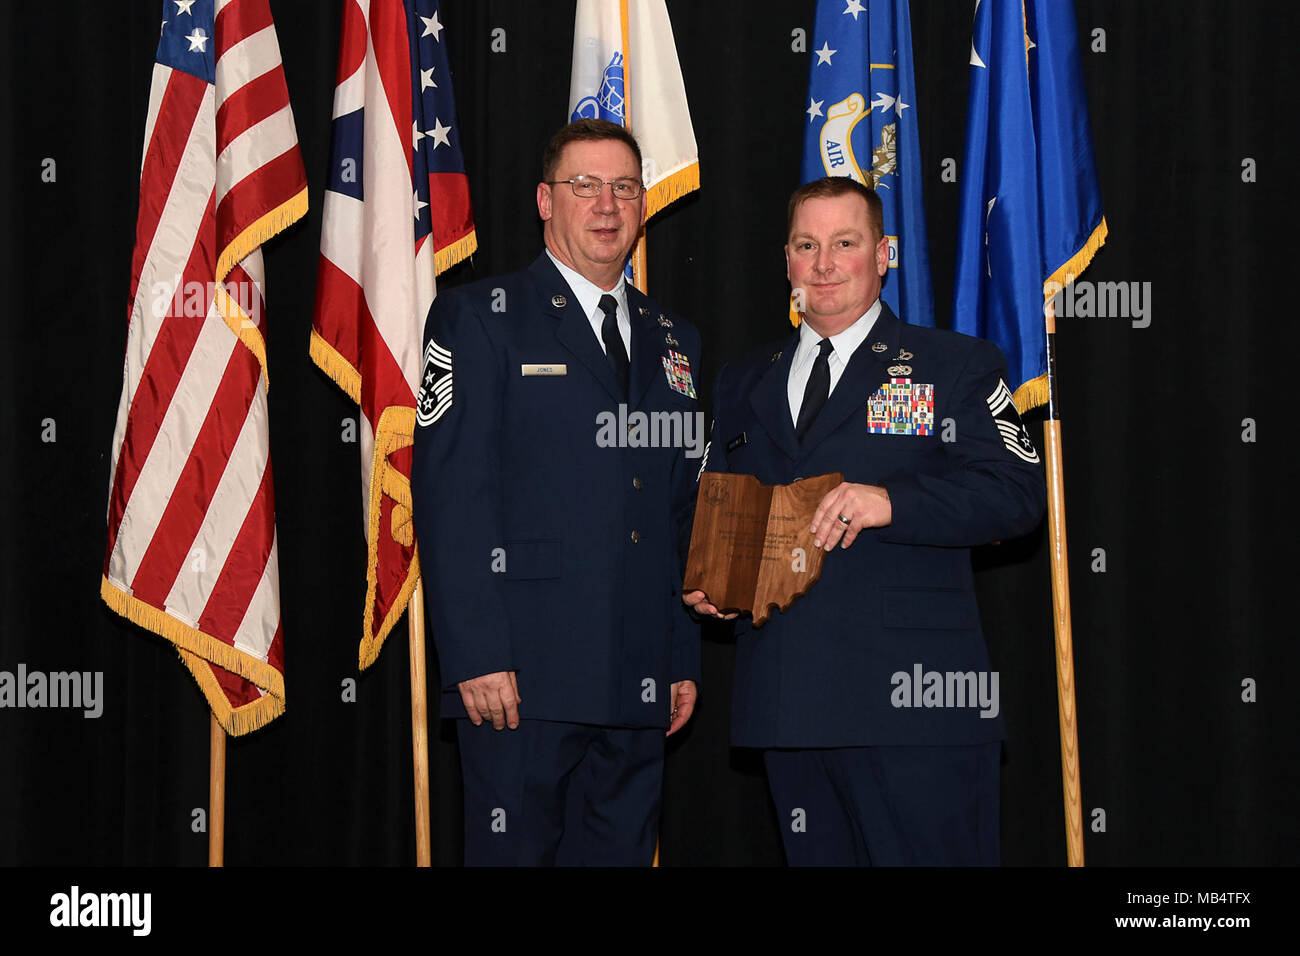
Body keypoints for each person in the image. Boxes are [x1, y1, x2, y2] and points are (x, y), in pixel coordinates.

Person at [686, 176, 1046, 865]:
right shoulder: (742, 379)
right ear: (786, 260)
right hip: (789, 707)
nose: (823, 264)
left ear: (884, 254)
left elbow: (1017, 493)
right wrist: (709, 585)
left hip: (915, 707)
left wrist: (892, 501)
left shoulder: (954, 365)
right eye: (806, 245)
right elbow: (713, 500)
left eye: (844, 243)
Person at [411, 119, 702, 866]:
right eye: (584, 186)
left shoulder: (676, 339)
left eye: (624, 188)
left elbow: (676, 511)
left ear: (643, 204)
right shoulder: (480, 319)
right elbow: (452, 497)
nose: (606, 204)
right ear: (546, 200)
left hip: (637, 678)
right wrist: (474, 652)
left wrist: (681, 656)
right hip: (520, 680)